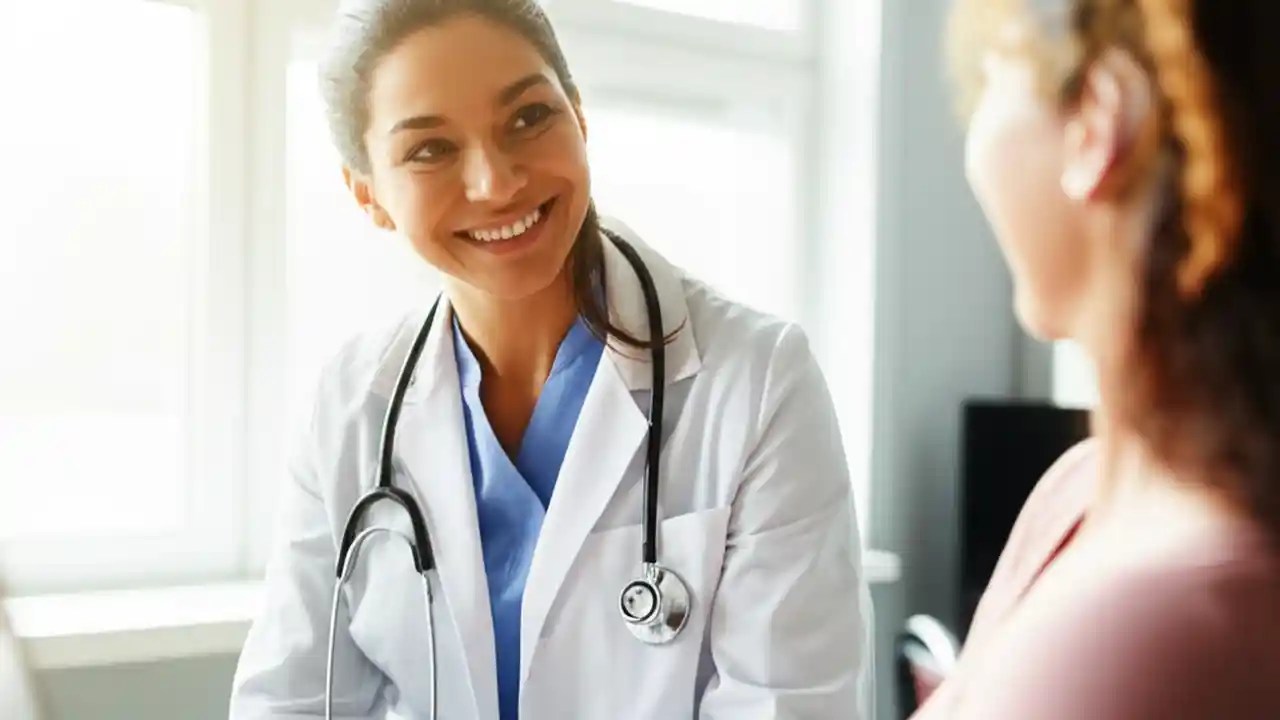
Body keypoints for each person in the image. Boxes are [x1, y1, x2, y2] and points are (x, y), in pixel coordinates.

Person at [230, 1, 870, 718]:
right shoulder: (349, 407)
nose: (497, 183)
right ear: (369, 195)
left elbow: (791, 705)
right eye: (430, 150)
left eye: (529, 118)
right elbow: (290, 703)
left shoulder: (756, 383)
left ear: (580, 117)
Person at [914, 0, 1280, 717]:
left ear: (1096, 126)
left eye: (993, 80)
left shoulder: (1141, 639)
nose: (975, 142)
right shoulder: (1072, 494)